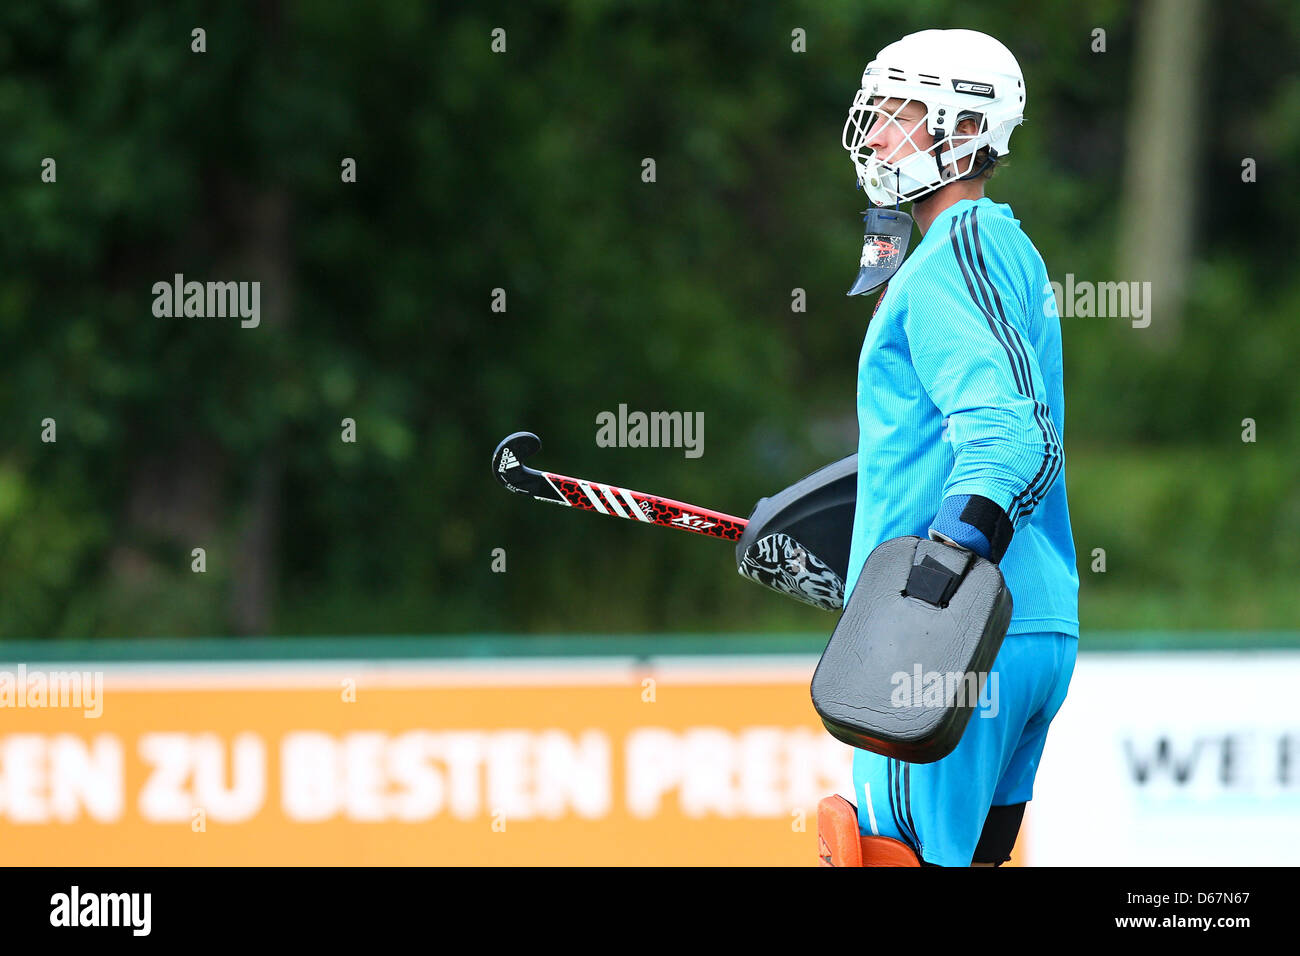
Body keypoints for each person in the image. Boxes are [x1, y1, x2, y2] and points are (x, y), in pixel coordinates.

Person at [826, 28, 1079, 867]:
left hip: (954, 636)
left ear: (960, 130)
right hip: (1028, 625)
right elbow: (941, 444)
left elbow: (1009, 437)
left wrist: (926, 586)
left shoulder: (946, 258)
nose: (872, 138)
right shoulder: (1003, 243)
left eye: (896, 117)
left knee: (890, 862)